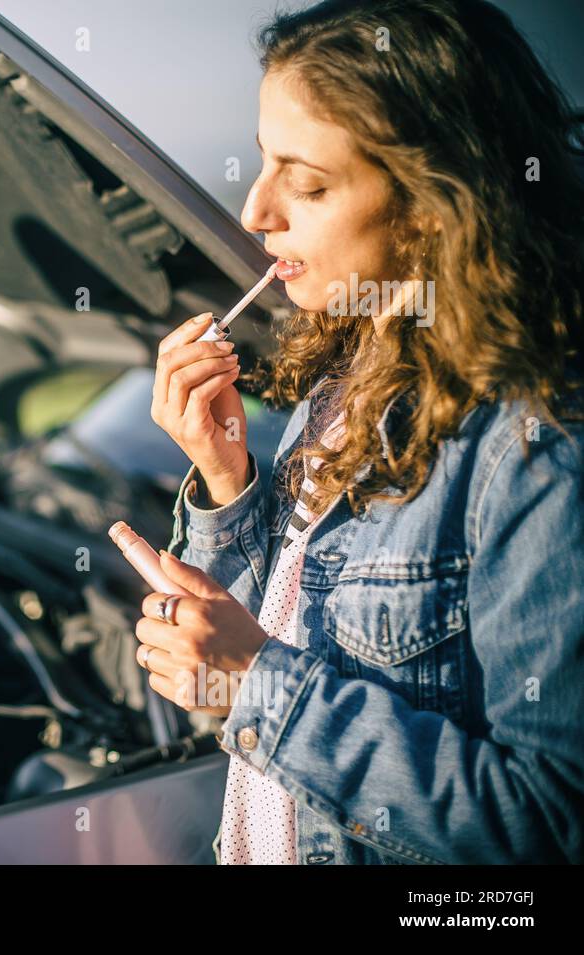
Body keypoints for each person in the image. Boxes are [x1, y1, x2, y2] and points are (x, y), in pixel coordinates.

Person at [140, 0, 584, 864]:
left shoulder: (534, 452)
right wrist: (228, 484)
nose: (254, 211)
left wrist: (253, 685)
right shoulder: (342, 388)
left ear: (429, 201)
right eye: (264, 163)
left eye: (306, 183)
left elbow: (546, 822)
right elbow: (290, 632)